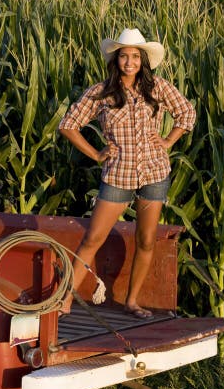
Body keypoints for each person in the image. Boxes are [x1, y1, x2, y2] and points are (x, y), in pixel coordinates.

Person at [58, 28, 196, 318]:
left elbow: (187, 113)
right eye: (124, 56)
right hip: (118, 175)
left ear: (143, 60)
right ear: (116, 60)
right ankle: (65, 301)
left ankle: (132, 302)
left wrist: (169, 140)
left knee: (146, 240)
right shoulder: (101, 93)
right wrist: (96, 154)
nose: (129, 62)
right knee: (93, 238)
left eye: (135, 56)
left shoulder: (157, 87)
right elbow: (68, 125)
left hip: (154, 173)